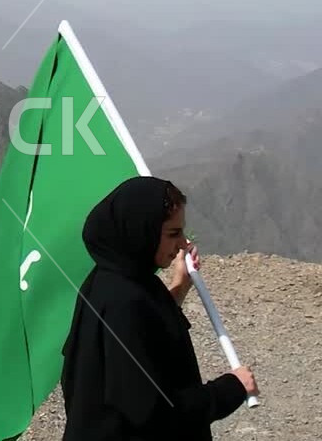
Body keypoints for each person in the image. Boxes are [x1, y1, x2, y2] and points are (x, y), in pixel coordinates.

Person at [60, 176, 258, 440]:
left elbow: (149, 331)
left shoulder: (114, 279)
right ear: (141, 230)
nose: (183, 244)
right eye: (173, 233)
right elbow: (155, 413)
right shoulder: (122, 301)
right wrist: (231, 388)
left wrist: (180, 284)